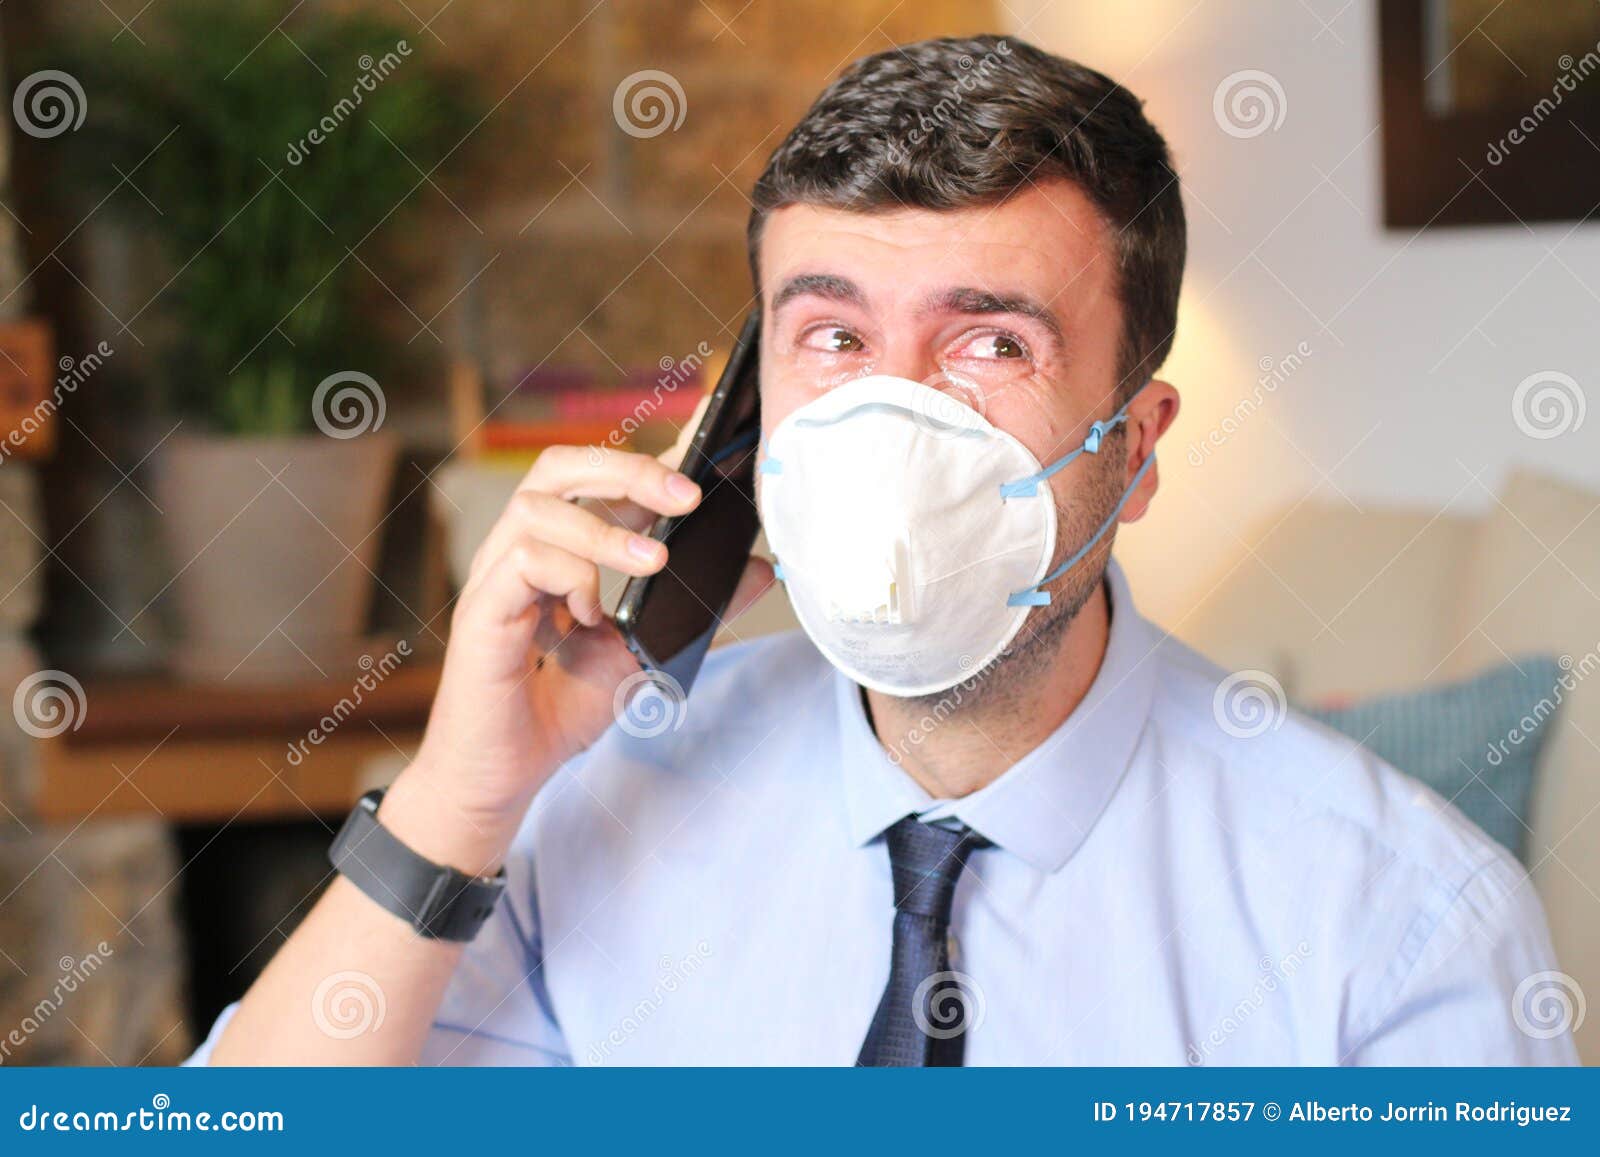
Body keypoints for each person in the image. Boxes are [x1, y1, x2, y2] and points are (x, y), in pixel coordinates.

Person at [188, 35, 1574, 1066]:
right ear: (751, 411)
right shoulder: (594, 803)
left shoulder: (1401, 920)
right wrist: (458, 798)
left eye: (991, 343)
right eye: (836, 335)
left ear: (1137, 447)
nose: (893, 414)